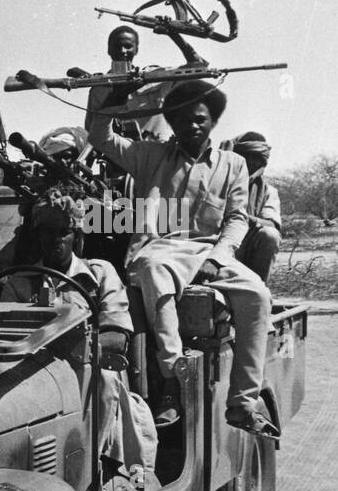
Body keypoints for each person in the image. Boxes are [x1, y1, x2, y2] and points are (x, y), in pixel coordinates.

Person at [87, 79, 276, 437]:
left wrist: (219, 258)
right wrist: (110, 100)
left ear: (212, 121)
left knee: (257, 294)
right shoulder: (148, 155)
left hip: (210, 252)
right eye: (183, 120)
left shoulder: (233, 164)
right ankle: (172, 381)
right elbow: (101, 137)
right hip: (160, 249)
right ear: (171, 123)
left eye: (200, 119)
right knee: (152, 269)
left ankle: (242, 403)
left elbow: (236, 219)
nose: (193, 125)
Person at [0, 194, 157, 491]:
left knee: (104, 377)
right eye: (47, 232)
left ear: (76, 236)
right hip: (33, 373)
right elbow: (4, 337)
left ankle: (88, 470)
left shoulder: (99, 275)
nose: (55, 240)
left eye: (63, 232)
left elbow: (117, 339)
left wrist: (68, 344)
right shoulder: (20, 282)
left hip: (86, 374)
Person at [230, 132, 283, 283]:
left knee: (270, 235)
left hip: (243, 246)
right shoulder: (217, 181)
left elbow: (272, 223)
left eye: (257, 158)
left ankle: (257, 287)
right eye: (247, 157)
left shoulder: (267, 191)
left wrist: (239, 218)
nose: (252, 163)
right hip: (213, 246)